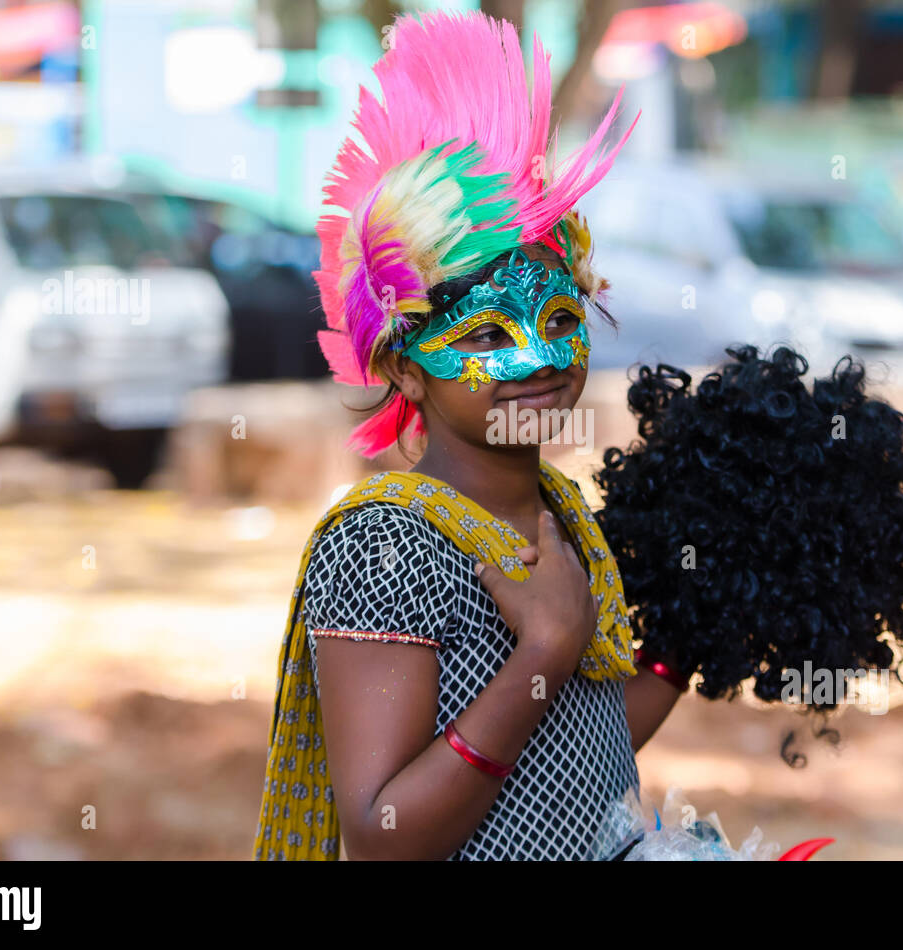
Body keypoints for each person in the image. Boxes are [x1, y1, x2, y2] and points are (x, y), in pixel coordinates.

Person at [253, 10, 687, 861]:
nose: (536, 355)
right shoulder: (383, 546)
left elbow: (570, 763)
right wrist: (548, 648)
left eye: (560, 314)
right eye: (485, 335)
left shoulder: (565, 516)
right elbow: (383, 838)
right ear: (405, 368)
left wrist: (682, 652)